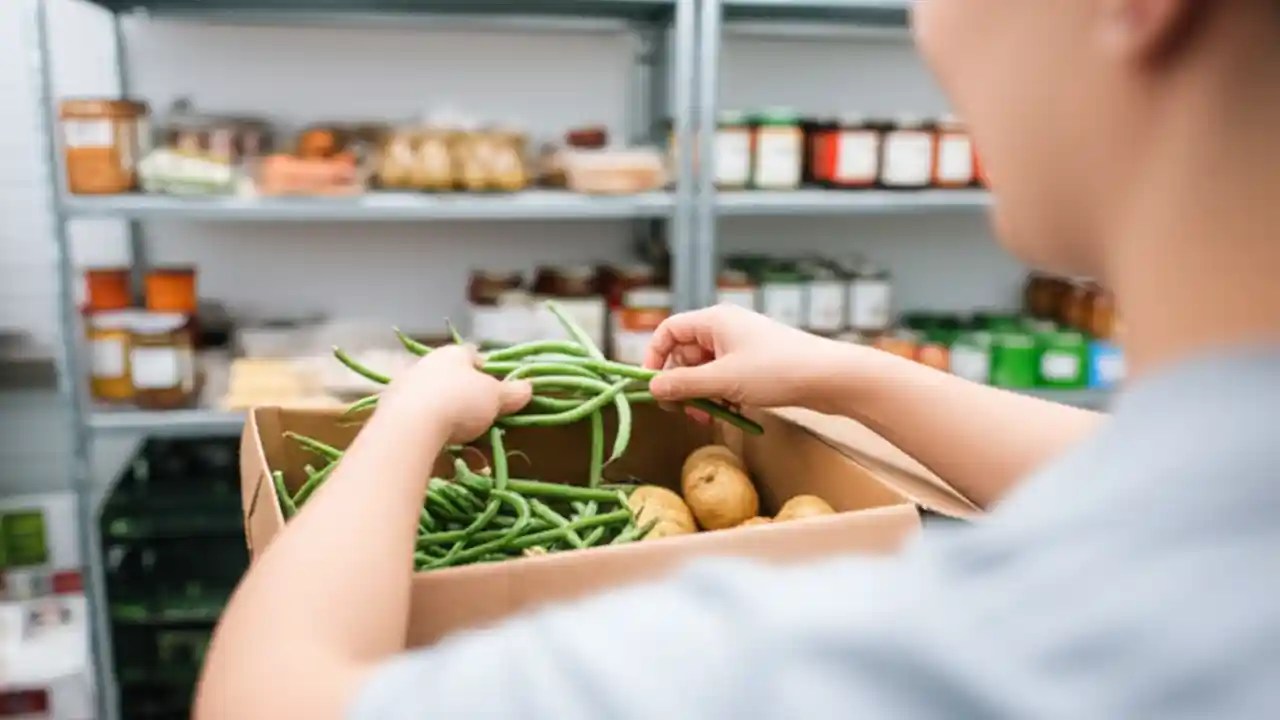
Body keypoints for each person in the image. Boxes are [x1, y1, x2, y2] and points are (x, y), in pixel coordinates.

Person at [195, 1, 1280, 718]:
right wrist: (844, 372)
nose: (929, 27)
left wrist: (406, 422)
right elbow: (1125, 486)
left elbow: (270, 699)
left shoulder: (868, 662)